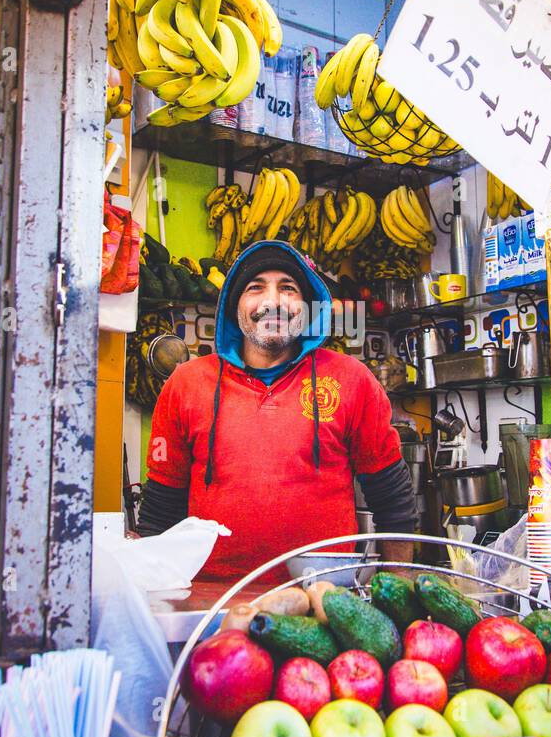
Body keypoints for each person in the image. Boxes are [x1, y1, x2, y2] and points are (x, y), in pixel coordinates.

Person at [137, 240, 416, 580]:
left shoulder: (351, 379)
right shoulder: (186, 384)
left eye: (288, 288)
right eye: (256, 288)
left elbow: (392, 497)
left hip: (325, 601)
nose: (272, 302)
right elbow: (161, 508)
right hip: (210, 600)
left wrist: (401, 582)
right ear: (234, 305)